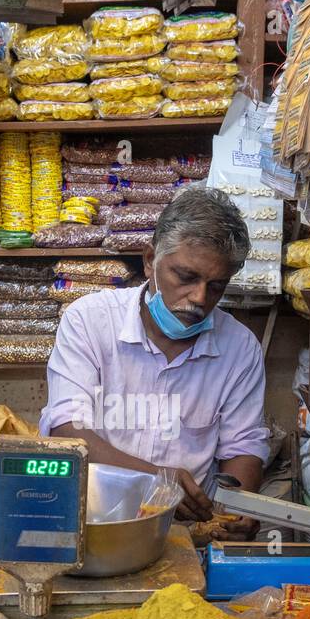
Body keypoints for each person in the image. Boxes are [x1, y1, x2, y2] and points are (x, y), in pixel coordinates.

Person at [41, 186, 268, 540]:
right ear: (150, 261)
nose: (198, 298)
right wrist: (156, 480)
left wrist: (239, 507)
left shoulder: (240, 348)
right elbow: (65, 432)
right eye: (186, 277)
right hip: (97, 522)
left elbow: (243, 446)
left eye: (216, 286)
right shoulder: (89, 321)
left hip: (187, 532)